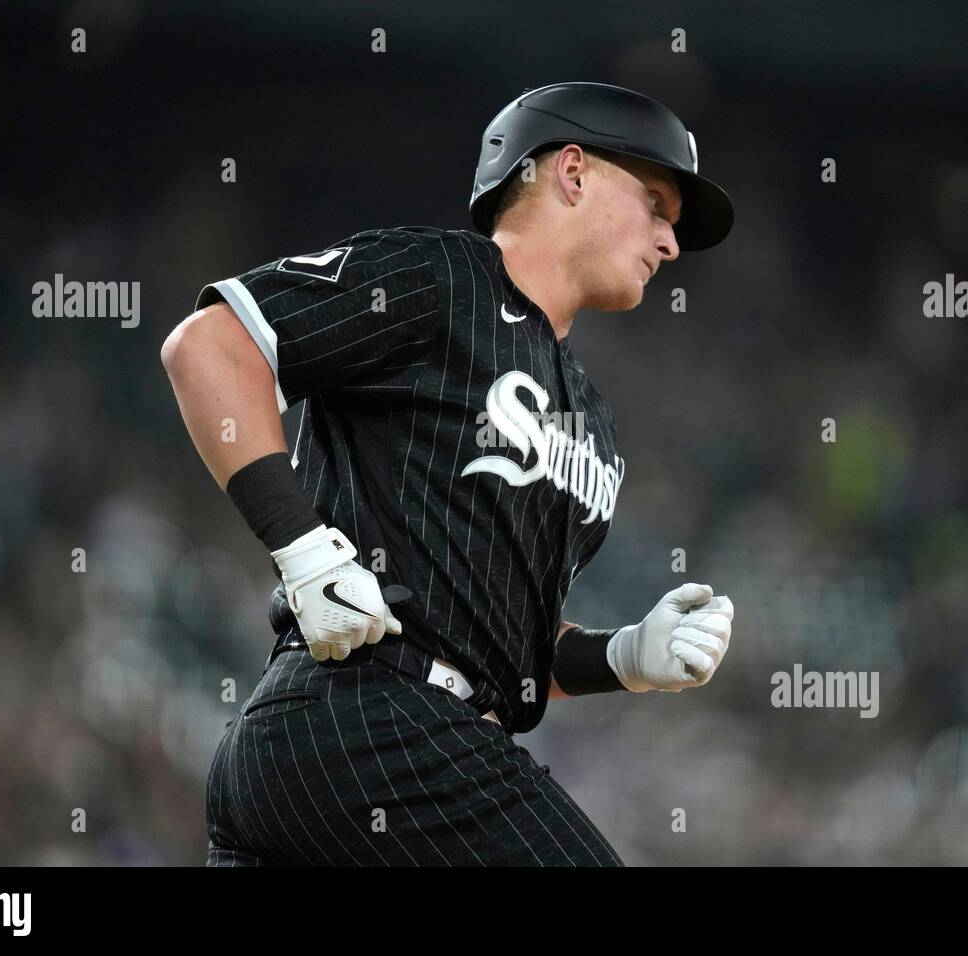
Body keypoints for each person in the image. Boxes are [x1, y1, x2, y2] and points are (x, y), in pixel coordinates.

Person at [160, 81, 737, 866]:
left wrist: (625, 656)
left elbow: (502, 645)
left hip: (335, 762)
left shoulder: (590, 422)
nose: (670, 241)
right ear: (571, 173)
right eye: (656, 203)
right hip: (362, 720)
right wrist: (301, 548)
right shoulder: (442, 279)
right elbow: (209, 346)